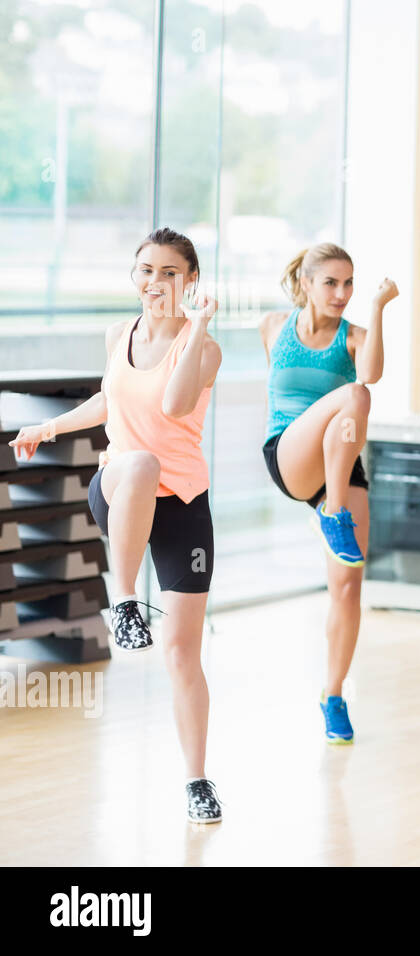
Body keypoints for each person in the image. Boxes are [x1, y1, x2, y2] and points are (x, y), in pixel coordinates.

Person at [11, 227, 224, 824]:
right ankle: (125, 599)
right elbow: (109, 400)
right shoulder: (117, 334)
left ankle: (197, 780)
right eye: (146, 270)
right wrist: (46, 428)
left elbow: (176, 406)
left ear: (191, 280)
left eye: (169, 273)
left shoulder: (204, 348)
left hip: (182, 504)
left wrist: (199, 326)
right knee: (138, 461)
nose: (155, 283)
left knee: (183, 652)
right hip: (121, 489)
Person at [259, 243, 398, 744]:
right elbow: (348, 391)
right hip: (291, 453)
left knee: (347, 587)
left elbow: (374, 370)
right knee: (355, 396)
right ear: (307, 284)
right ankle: (333, 510)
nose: (342, 294)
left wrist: (379, 309)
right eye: (331, 283)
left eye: (349, 284)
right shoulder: (275, 327)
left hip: (340, 464)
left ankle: (333, 695)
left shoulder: (356, 336)